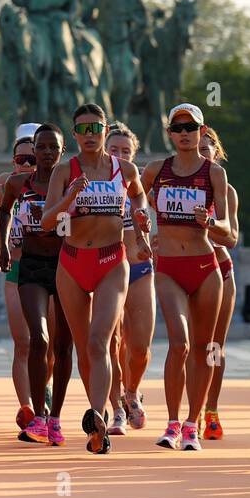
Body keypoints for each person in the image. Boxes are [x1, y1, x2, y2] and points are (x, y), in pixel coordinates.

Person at [44, 103, 152, 454]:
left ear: (106, 131)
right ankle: (99, 418)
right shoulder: (65, 171)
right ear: (74, 134)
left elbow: (138, 195)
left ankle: (96, 415)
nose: (89, 136)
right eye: (83, 129)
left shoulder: (126, 168)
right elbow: (47, 222)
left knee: (98, 341)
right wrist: (70, 197)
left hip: (111, 261)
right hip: (72, 263)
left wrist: (140, 221)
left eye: (96, 128)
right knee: (83, 350)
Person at [140, 103, 229, 452]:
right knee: (179, 343)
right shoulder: (155, 170)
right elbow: (134, 198)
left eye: (191, 127)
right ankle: (172, 423)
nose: (184, 134)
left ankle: (193, 423)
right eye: (177, 129)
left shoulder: (213, 174)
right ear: (170, 134)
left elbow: (227, 229)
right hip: (170, 268)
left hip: (206, 267)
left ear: (202, 132)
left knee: (206, 349)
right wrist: (142, 225)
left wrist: (209, 222)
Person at [0, 124, 73, 446]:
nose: (45, 153)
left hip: (67, 267)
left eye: (52, 148)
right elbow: (3, 212)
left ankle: (55, 417)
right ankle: (39, 415)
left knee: (62, 344)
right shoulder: (18, 184)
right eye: (40, 148)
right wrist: (1, 247)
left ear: (61, 150)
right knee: (38, 338)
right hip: (31, 265)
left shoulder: (71, 182)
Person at [104, 122, 155, 436]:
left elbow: (147, 210)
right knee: (111, 342)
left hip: (138, 267)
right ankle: (116, 410)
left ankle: (131, 390)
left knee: (140, 346)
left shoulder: (137, 180)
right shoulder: (94, 180)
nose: (120, 155)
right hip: (107, 267)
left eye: (126, 151)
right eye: (114, 150)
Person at [0, 133, 38, 430]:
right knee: (23, 343)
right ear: (13, 163)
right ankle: (28, 407)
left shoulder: (57, 186)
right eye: (20, 160)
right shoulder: (5, 189)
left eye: (32, 159)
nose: (26, 165)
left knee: (45, 344)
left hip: (50, 271)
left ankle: (42, 390)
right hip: (17, 270)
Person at [198, 126, 238, 440]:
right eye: (195, 148)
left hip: (220, 267)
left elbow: (233, 237)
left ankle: (211, 410)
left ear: (216, 154)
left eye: (206, 149)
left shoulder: (226, 192)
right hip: (187, 269)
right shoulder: (175, 184)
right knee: (186, 345)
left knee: (214, 347)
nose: (200, 153)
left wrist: (209, 224)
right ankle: (191, 412)